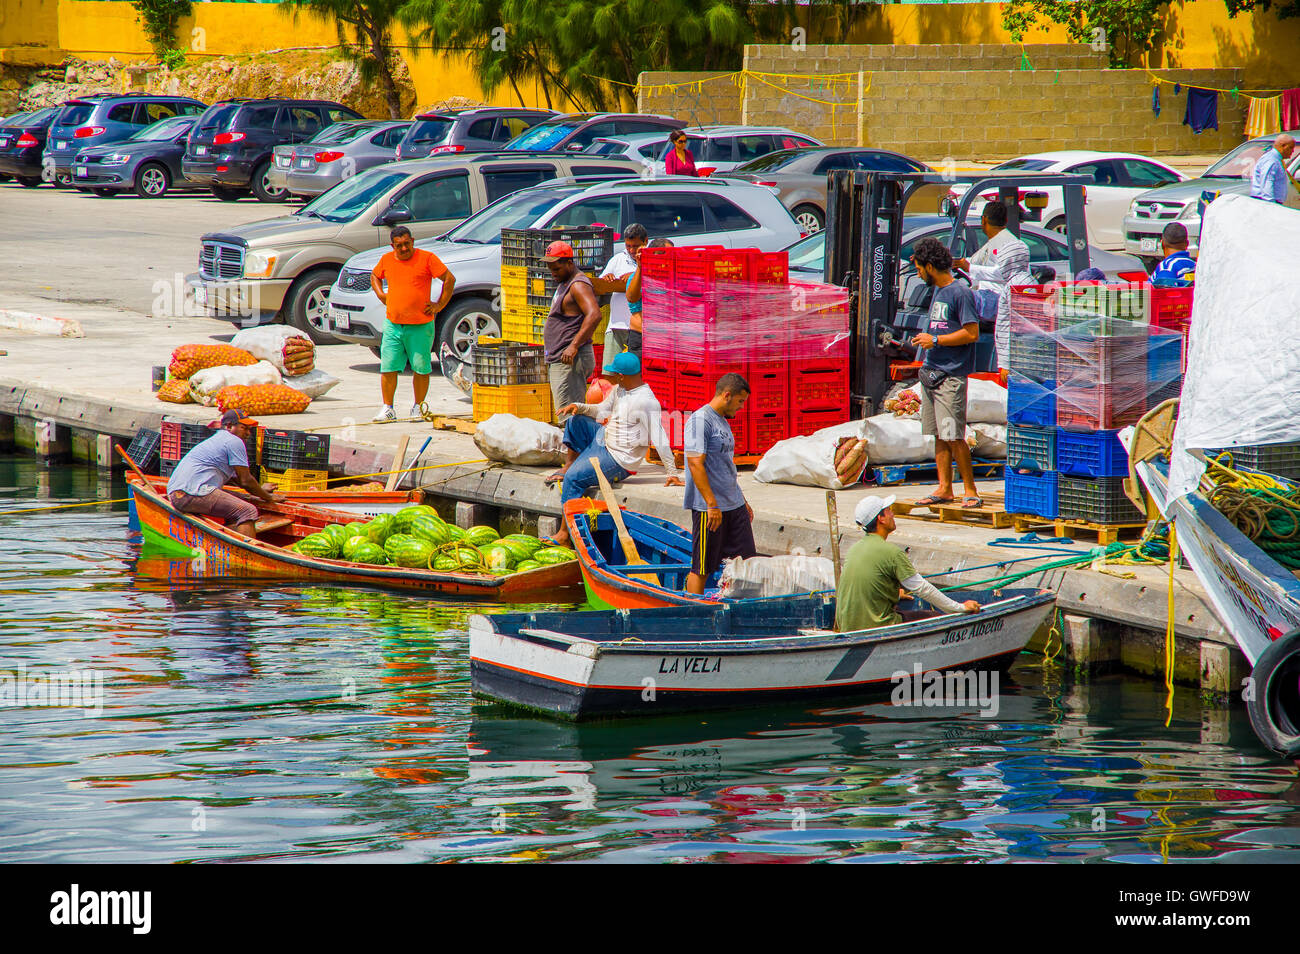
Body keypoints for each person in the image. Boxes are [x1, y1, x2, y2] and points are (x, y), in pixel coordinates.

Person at [545, 351, 684, 547]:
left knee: (573, 479)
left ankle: (564, 534)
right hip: (604, 439)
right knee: (575, 421)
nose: (608, 377)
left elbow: (659, 436)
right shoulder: (621, 389)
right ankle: (572, 464)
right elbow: (601, 410)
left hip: (617, 458)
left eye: (612, 374)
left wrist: (672, 472)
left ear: (621, 375)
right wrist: (578, 406)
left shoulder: (645, 401)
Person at [909, 237, 982, 510]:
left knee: (953, 434)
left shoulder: (959, 292)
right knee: (938, 434)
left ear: (930, 266)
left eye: (919, 268)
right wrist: (927, 341)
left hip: (951, 376)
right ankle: (944, 488)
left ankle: (970, 489)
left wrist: (936, 341)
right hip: (932, 372)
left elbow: (971, 333)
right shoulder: (938, 292)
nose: (918, 274)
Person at [835, 495, 980, 632]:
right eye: (889, 511)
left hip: (848, 627)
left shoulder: (854, 548)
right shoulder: (892, 553)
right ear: (881, 519)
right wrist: (960, 608)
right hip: (877, 627)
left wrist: (893, 594)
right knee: (934, 616)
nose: (893, 514)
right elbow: (922, 589)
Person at [370, 225, 456, 423]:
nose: (403, 249)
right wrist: (381, 294)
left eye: (407, 244)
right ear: (392, 246)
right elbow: (374, 276)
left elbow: (449, 279)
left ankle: (418, 406)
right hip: (393, 324)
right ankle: (388, 408)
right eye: (398, 245)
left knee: (421, 367)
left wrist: (439, 305)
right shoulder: (386, 260)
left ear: (413, 241)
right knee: (388, 366)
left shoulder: (427, 258)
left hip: (420, 325)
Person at [683, 373, 756, 594]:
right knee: (702, 567)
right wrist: (711, 504)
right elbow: (696, 464)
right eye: (740, 401)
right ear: (726, 395)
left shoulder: (723, 422)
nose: (741, 407)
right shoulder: (700, 421)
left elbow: (726, 466)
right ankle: (694, 612)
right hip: (710, 509)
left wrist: (742, 500)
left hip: (733, 505)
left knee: (748, 562)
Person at [166, 409, 285, 538]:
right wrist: (268, 497)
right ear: (229, 426)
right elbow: (246, 481)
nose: (248, 433)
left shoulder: (220, 438)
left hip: (179, 492)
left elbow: (238, 479)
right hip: (190, 493)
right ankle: (247, 554)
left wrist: (260, 490)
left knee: (244, 500)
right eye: (244, 428)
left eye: (249, 429)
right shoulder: (234, 441)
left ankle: (232, 538)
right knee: (248, 511)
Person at [952, 199, 1032, 371]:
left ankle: (950, 348)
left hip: (996, 300)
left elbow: (1001, 273)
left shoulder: (1008, 244)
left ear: (984, 220)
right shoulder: (994, 242)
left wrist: (969, 267)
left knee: (956, 300)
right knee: (955, 294)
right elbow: (971, 263)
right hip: (990, 298)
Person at [541, 240, 601, 422]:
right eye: (550, 268)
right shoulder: (566, 282)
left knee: (571, 418)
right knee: (568, 415)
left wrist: (573, 346)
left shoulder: (578, 285)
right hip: (563, 357)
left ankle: (579, 450)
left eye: (556, 268)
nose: (553, 273)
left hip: (570, 360)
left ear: (569, 263)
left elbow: (594, 314)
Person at [592, 223, 647, 358]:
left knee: (634, 373)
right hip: (615, 326)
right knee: (610, 373)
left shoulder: (652, 260)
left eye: (636, 246)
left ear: (645, 241)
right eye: (628, 246)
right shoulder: (617, 259)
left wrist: (633, 277)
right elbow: (599, 286)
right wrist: (607, 277)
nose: (632, 250)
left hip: (639, 329)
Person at [625, 237, 674, 357]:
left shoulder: (670, 278)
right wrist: (641, 267)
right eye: (668, 255)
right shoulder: (638, 276)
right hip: (641, 337)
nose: (671, 259)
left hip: (664, 339)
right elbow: (632, 297)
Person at [1250, 134, 1295, 203]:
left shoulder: (1276, 159)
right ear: (1283, 146)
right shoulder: (1272, 160)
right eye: (1291, 147)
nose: (1293, 151)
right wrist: (1271, 205)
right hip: (1265, 203)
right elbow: (1267, 183)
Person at [1151, 222, 1196, 287]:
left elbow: (1163, 293)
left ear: (1162, 244)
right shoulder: (1194, 265)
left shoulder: (1167, 266)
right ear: (1187, 244)